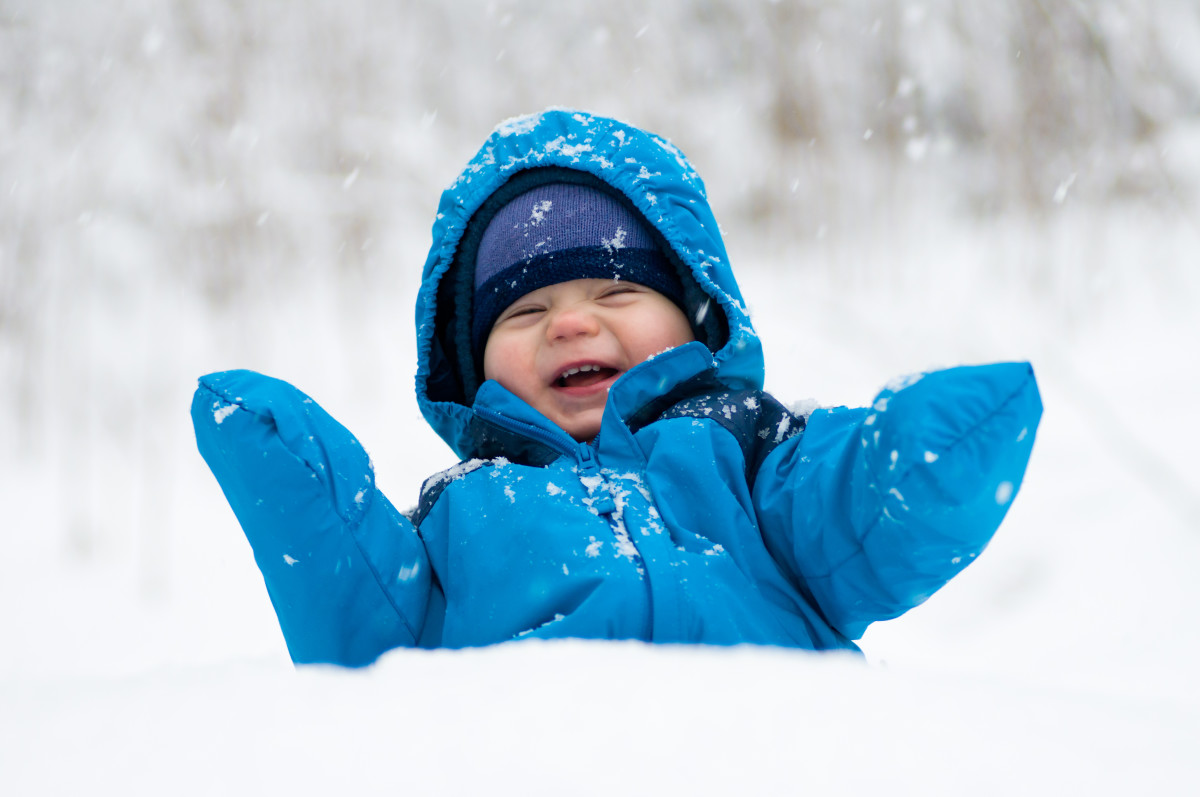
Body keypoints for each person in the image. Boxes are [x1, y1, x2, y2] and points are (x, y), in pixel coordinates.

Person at [192, 109, 1042, 667]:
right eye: (524, 311)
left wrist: (917, 459)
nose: (570, 324)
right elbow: (369, 622)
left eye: (615, 293)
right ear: (474, 364)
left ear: (692, 321)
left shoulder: (751, 462)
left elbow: (856, 519)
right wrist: (306, 502)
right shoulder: (461, 519)